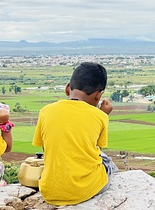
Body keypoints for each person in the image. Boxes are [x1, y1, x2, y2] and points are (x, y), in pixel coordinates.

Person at [32, 62, 118, 206]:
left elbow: (46, 150)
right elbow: (94, 151)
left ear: (67, 88)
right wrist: (102, 114)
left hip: (50, 191)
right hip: (83, 190)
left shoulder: (45, 111)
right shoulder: (100, 116)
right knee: (107, 162)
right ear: (98, 95)